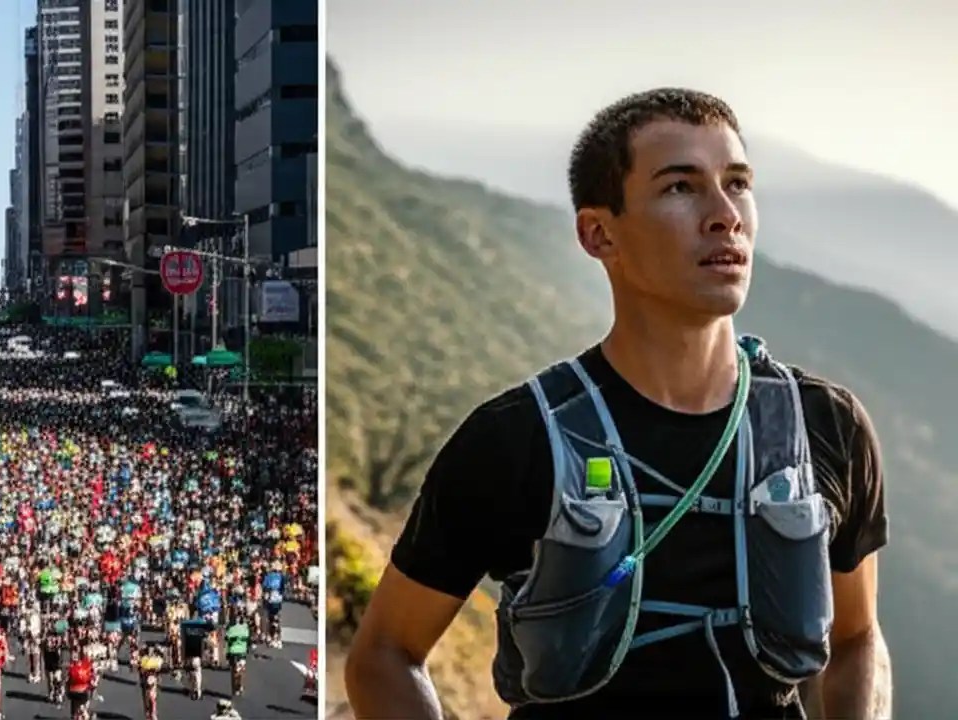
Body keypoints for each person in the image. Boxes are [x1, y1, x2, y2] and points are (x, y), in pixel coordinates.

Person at [344, 88, 891, 720]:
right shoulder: (515, 440)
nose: (725, 215)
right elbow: (384, 654)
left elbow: (855, 638)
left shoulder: (826, 425)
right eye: (680, 188)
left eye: (737, 184)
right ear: (599, 233)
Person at [66, 648, 95, 719]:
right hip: (82, 692)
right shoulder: (86, 666)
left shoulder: (71, 666)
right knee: (82, 708)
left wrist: (67, 691)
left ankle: (77, 715)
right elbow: (91, 682)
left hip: (73, 692)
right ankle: (85, 715)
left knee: (77, 708)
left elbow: (68, 681)